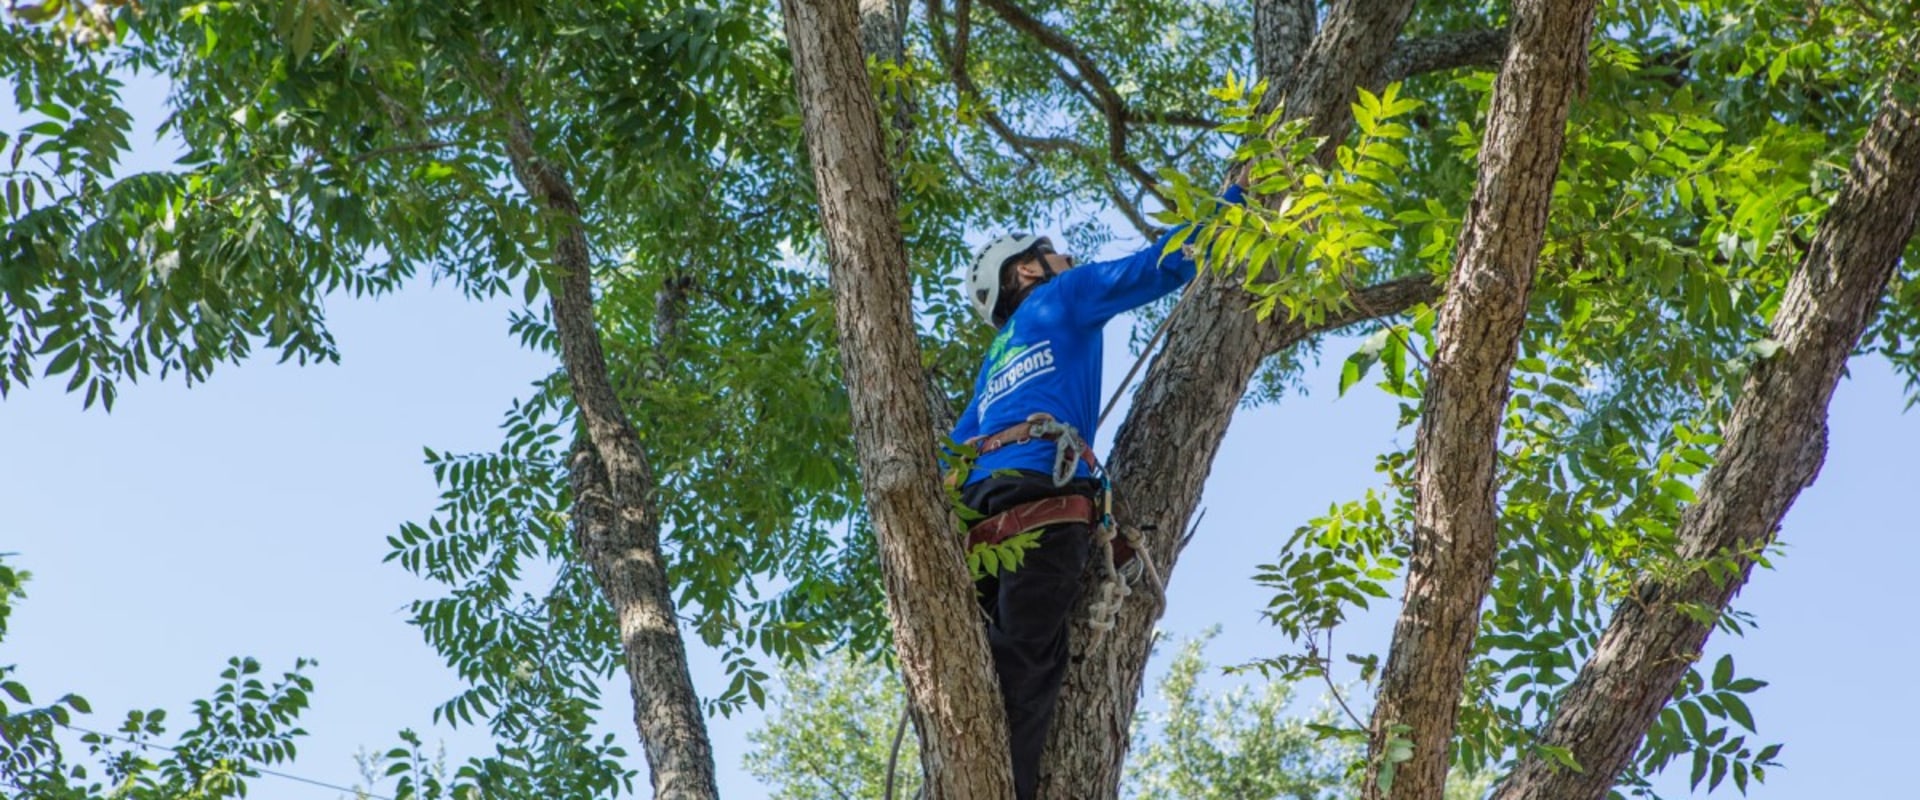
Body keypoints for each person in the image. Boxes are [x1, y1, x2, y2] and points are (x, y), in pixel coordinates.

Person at [946, 182, 1244, 799]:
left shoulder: (993, 364)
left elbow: (952, 456)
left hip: (975, 523)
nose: (1064, 258)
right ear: (1027, 270)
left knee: (981, 675)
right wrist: (1236, 201)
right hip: (1040, 503)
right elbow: (1159, 265)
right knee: (1025, 673)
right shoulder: (1062, 295)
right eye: (1049, 251)